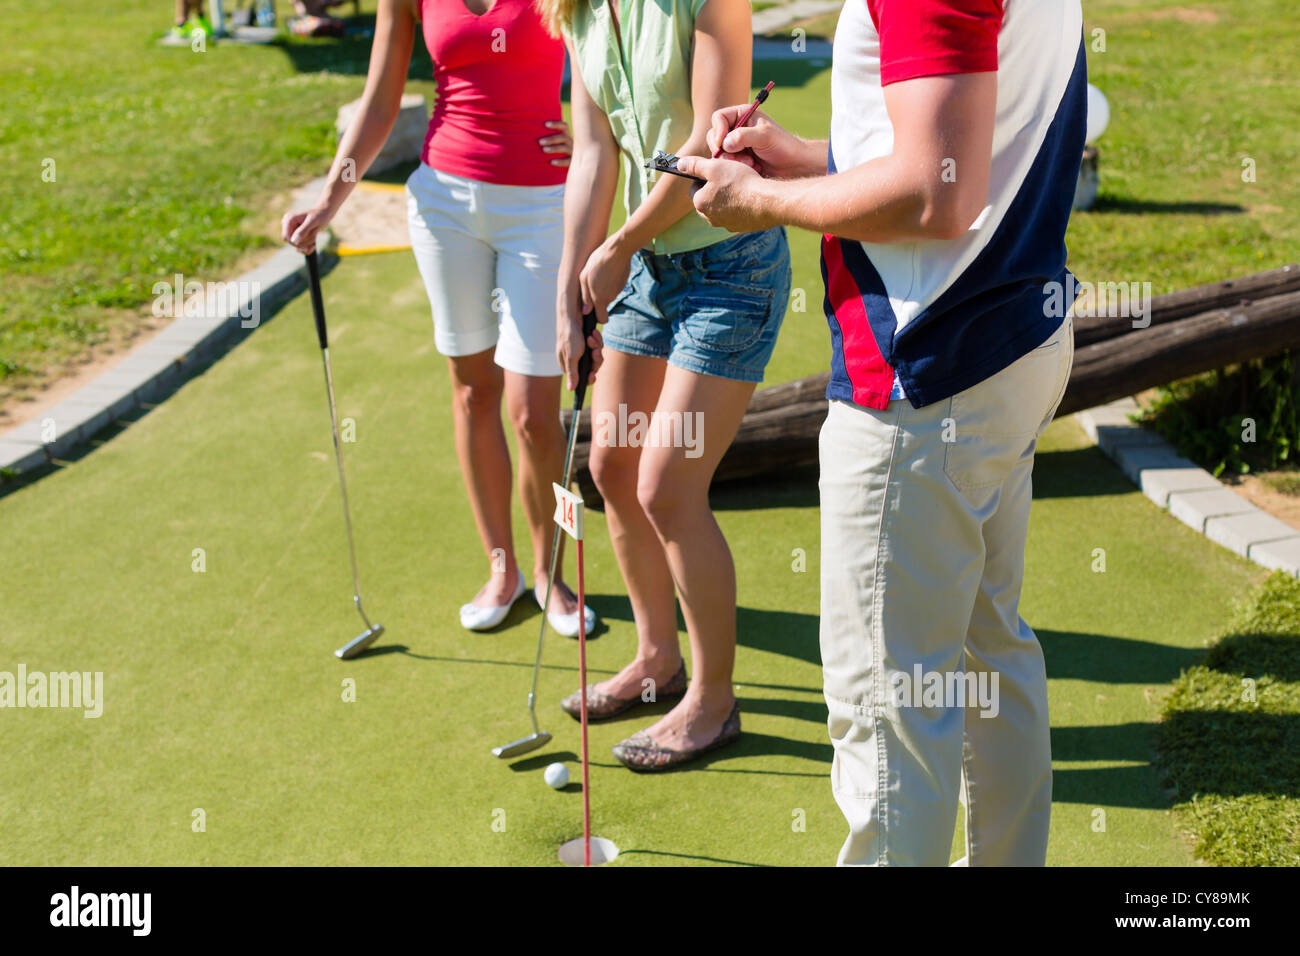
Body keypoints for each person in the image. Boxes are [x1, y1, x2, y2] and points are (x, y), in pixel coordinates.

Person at [679, 0, 1086, 863]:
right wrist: (804, 160)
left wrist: (765, 197)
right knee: (987, 659)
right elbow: (956, 136)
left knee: (891, 713)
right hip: (1007, 340)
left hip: (923, 368)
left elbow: (938, 191)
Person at [283, 0, 597, 638]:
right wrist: (327, 203)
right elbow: (379, 100)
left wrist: (598, 135)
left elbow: (615, 67)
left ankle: (549, 574)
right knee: (471, 392)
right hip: (444, 206)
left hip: (540, 206)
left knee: (536, 412)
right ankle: (503, 570)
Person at [538, 0, 792, 771]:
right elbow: (593, 153)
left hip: (730, 268)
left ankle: (714, 703)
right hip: (649, 268)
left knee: (667, 489)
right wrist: (567, 294)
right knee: (612, 466)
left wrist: (619, 245)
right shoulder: (576, 11)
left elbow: (706, 145)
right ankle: (657, 659)